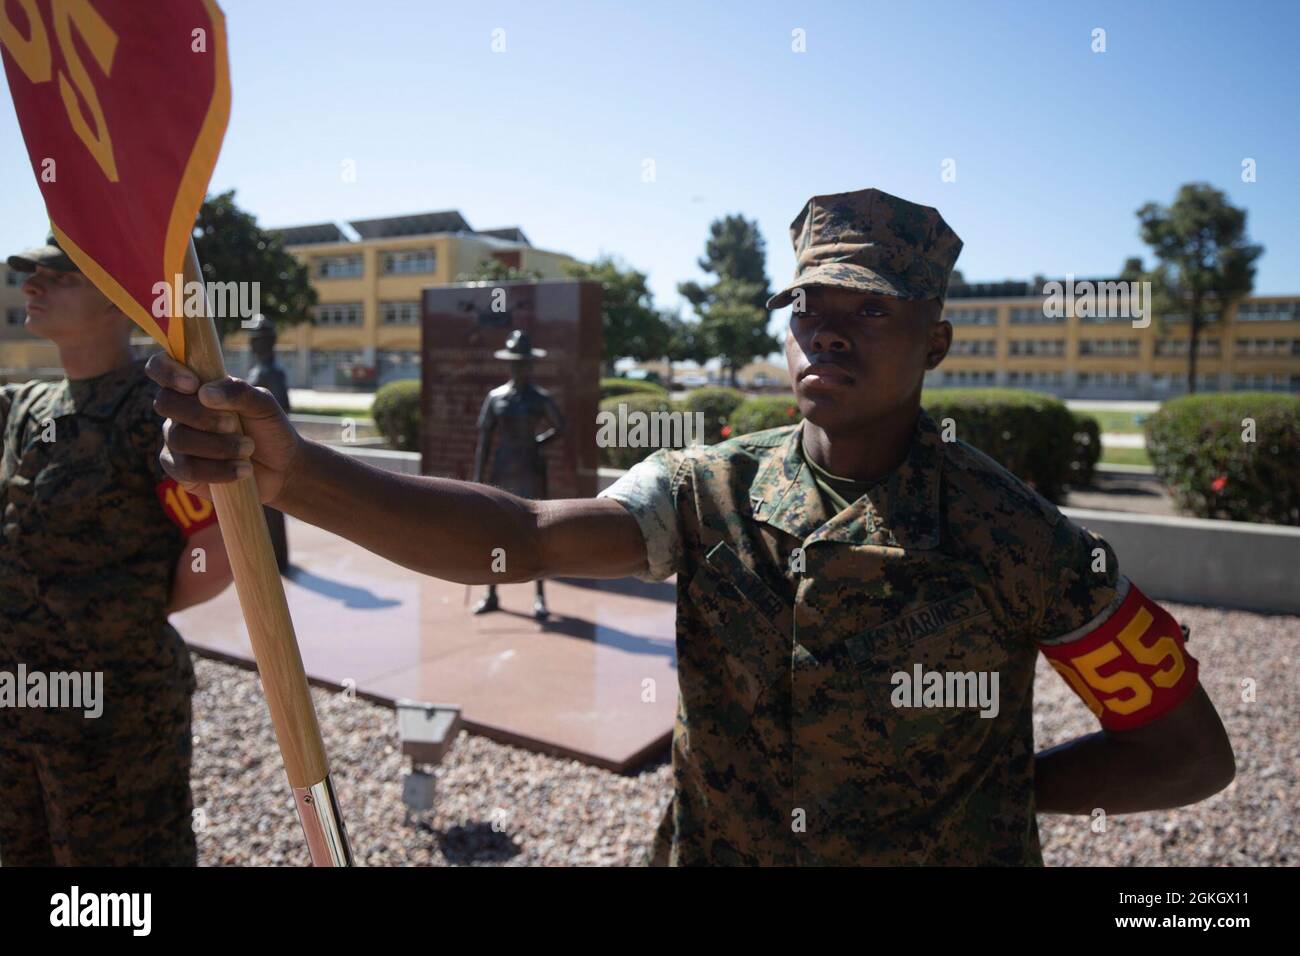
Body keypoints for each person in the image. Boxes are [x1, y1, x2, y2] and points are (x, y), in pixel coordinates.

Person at [144, 188, 1235, 866]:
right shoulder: (709, 489)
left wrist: (994, 798)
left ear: (937, 340)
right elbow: (519, 536)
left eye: (871, 309)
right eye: (812, 305)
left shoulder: (1017, 533)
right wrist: (295, 474)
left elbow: (1184, 752)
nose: (829, 334)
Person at [0, 237, 233, 866]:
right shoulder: (25, 407)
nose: (33, 287)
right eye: (30, 275)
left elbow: (217, 550)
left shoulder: (154, 412)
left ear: (116, 300)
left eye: (58, 277)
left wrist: (124, 617)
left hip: (115, 710)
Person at [471, 329, 566, 620]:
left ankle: (539, 596)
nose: (519, 367)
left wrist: (538, 443)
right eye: (515, 362)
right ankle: (491, 592)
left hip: (531, 469)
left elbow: (561, 427)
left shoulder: (540, 398)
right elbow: (484, 440)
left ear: (530, 364)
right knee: (495, 531)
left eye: (523, 362)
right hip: (502, 469)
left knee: (536, 534)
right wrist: (477, 479)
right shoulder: (495, 397)